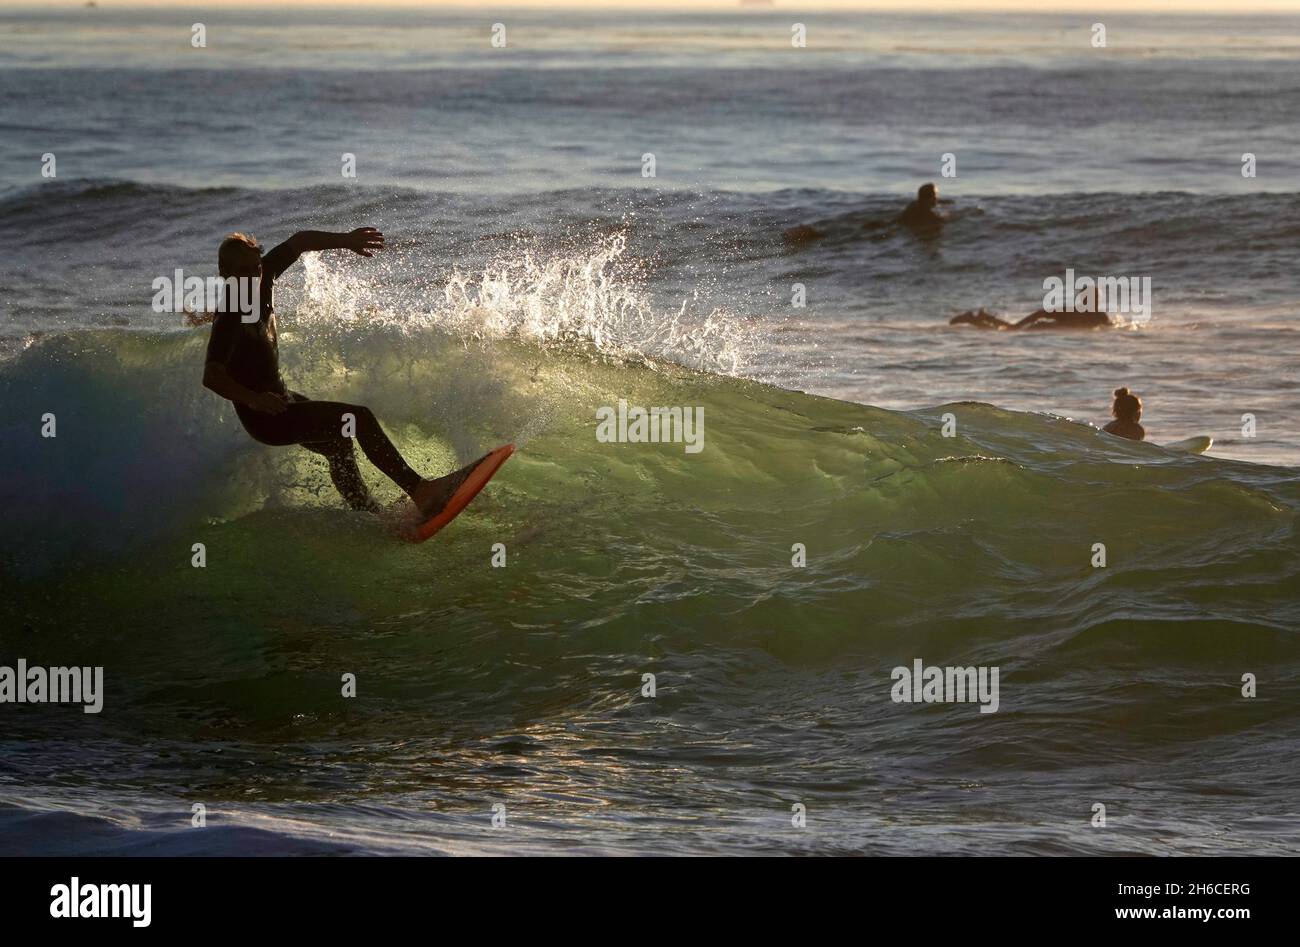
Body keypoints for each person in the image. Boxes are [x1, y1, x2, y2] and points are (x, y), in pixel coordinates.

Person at [202, 228, 472, 519]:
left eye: (256, 267)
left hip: (283, 401)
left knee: (338, 443)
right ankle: (421, 491)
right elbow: (212, 375)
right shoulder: (230, 313)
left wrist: (346, 240)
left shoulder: (262, 275)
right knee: (358, 419)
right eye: (244, 272)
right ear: (226, 273)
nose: (253, 276)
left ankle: (368, 515)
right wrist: (254, 400)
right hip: (265, 419)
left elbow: (300, 241)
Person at [949, 288, 1112, 331]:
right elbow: (1040, 313)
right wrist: (1019, 325)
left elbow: (1111, 328)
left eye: (1096, 298)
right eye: (1090, 298)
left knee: (1008, 330)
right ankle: (977, 319)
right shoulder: (1072, 310)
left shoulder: (1099, 316)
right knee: (1010, 330)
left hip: (1045, 329)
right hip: (1042, 327)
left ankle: (979, 318)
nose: (1095, 301)